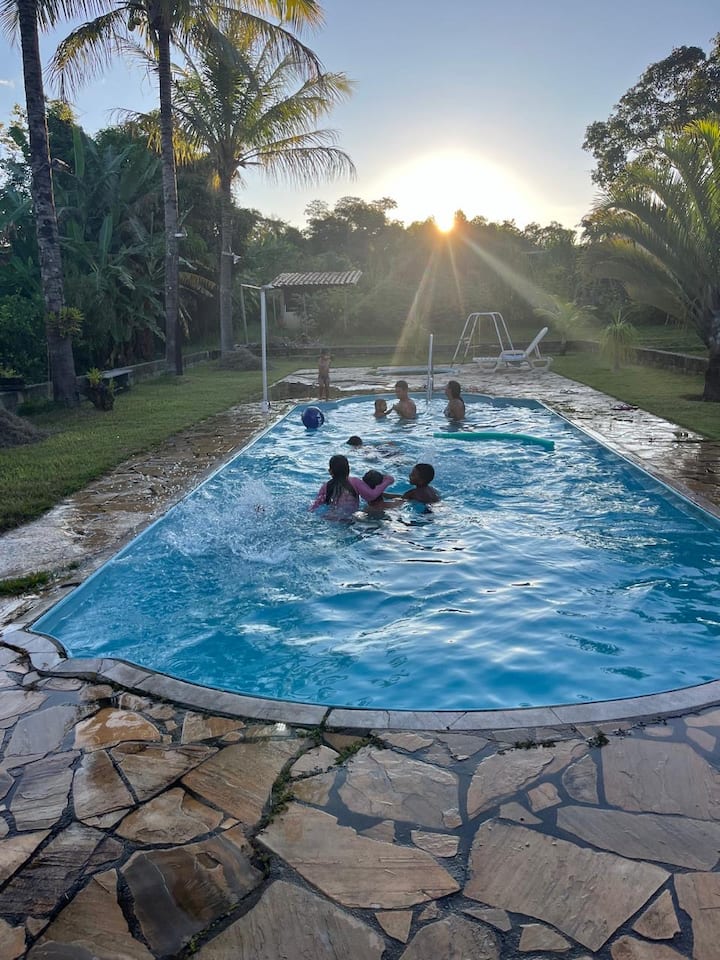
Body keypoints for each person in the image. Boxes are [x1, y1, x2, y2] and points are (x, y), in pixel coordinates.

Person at [310, 455, 394, 517]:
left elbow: (316, 505)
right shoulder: (354, 482)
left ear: (330, 471)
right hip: (349, 520)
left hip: (330, 518)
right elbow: (371, 496)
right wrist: (387, 481)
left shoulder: (325, 486)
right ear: (349, 469)